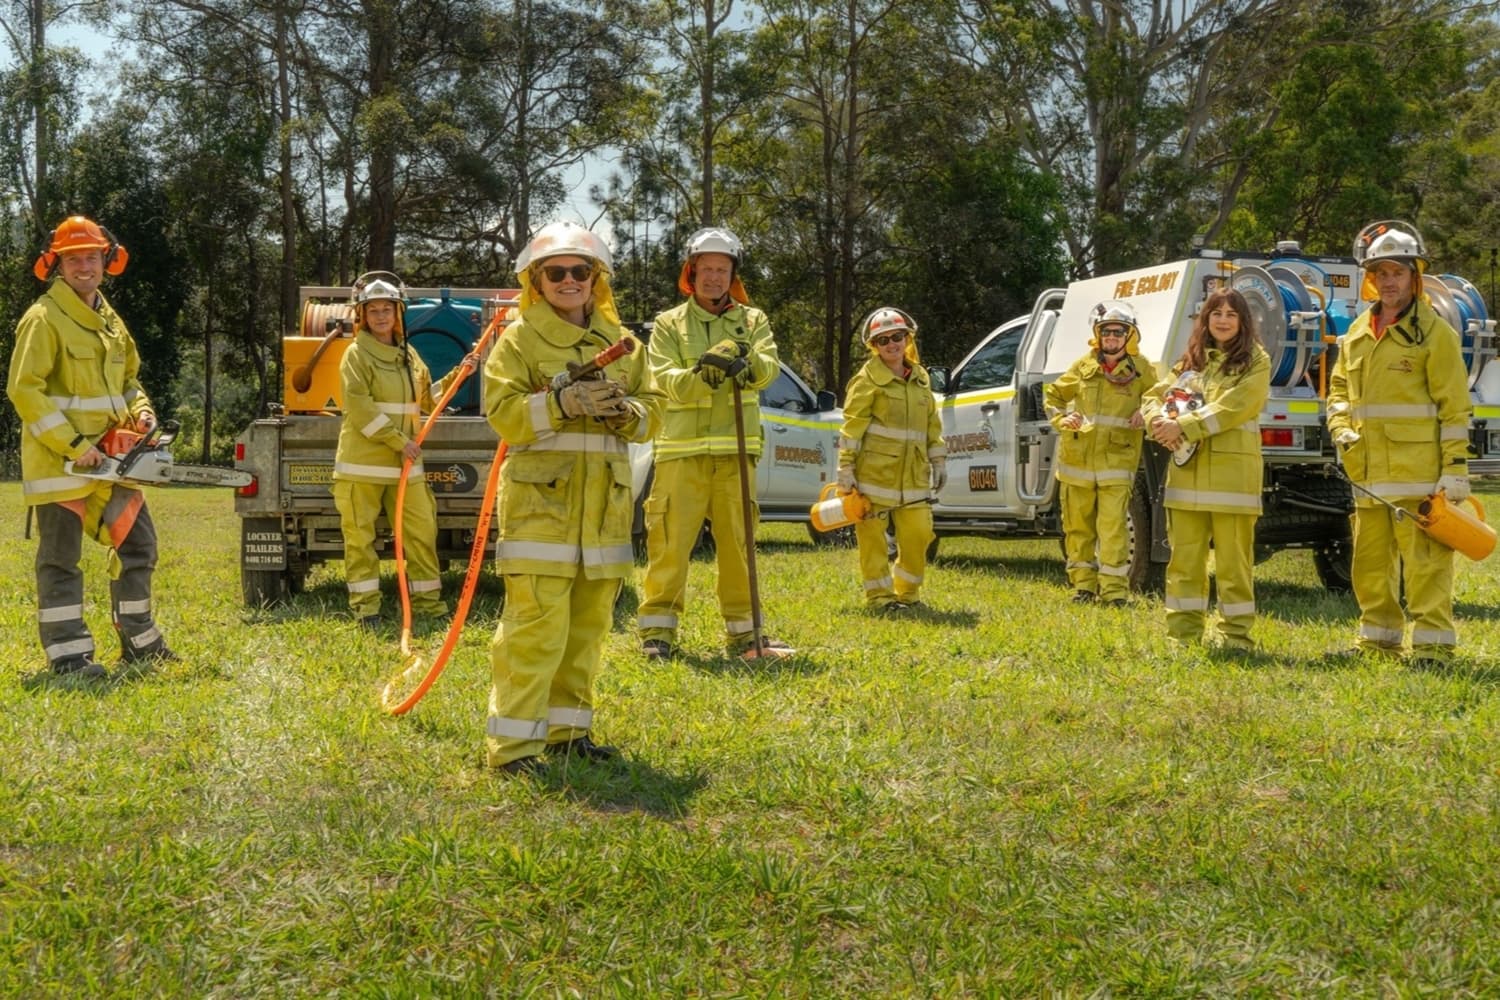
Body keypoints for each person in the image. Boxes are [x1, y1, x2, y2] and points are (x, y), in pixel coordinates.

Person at [482, 221, 662, 775]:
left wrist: (624, 413)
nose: (568, 280)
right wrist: (563, 405)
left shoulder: (623, 344)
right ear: (536, 281)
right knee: (533, 634)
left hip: (604, 516)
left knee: (587, 632)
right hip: (543, 513)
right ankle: (513, 749)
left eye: (579, 271)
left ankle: (566, 735)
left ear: (596, 279)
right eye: (555, 272)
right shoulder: (519, 339)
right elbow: (504, 415)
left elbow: (653, 411)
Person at [6, 215, 175, 680]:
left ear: (108, 260)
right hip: (63, 462)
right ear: (55, 265)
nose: (84, 266)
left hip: (114, 461)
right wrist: (73, 444)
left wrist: (142, 413)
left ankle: (142, 643)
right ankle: (69, 655)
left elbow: (128, 381)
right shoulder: (43, 318)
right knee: (61, 559)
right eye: (73, 258)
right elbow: (25, 390)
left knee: (139, 545)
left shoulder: (108, 319)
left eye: (92, 256)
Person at [636, 226, 795, 661]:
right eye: (706, 269)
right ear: (692, 272)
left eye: (721, 270)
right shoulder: (670, 323)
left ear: (732, 274)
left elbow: (769, 369)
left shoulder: (752, 319)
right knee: (669, 546)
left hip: (735, 454)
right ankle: (658, 635)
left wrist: (744, 363)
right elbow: (662, 379)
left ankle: (746, 635)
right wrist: (699, 376)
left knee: (738, 546)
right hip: (680, 453)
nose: (713, 278)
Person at [1326, 221, 1471, 668]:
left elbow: (1454, 408)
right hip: (1367, 473)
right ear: (1371, 278)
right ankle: (1378, 643)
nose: (1389, 281)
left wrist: (1455, 469)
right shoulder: (1355, 333)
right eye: (1381, 272)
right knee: (1369, 566)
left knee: (1426, 565)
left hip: (1419, 476)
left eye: (1398, 272)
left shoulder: (1436, 334)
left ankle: (1432, 648)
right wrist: (1339, 427)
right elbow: (1336, 392)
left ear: (1415, 277)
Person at [332, 272, 470, 627]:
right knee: (360, 539)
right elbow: (360, 408)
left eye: (387, 309)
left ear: (398, 313)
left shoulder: (409, 355)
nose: (380, 316)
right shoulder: (355, 355)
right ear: (362, 316)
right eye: (373, 310)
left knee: (422, 535)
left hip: (406, 466)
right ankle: (367, 609)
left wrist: (459, 375)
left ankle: (428, 606)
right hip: (363, 466)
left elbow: (427, 400)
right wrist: (399, 441)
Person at [1141, 288, 1270, 652]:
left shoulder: (1255, 361)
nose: (1224, 320)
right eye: (1217, 313)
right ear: (1206, 319)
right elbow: (1154, 396)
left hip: (1233, 482)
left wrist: (1184, 426)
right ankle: (1182, 638)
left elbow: (1237, 406)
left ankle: (1236, 639)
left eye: (1232, 314)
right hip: (1186, 480)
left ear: (1243, 321)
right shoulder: (1190, 362)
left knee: (1234, 568)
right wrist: (1157, 421)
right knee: (1183, 564)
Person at [1042, 300, 1151, 605]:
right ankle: (1084, 588)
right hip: (1076, 463)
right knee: (1078, 528)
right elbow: (1052, 395)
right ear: (1098, 335)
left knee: (1114, 527)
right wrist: (1062, 418)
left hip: (1117, 463)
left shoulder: (1142, 371)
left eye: (1118, 332)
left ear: (1129, 336)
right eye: (1106, 332)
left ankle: (1115, 592)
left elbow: (1160, 398)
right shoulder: (1082, 366)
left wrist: (1147, 411)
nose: (1112, 338)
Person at [836, 308, 945, 612]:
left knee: (920, 533)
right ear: (874, 346)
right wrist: (845, 468)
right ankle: (880, 599)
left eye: (897, 337)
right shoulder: (866, 380)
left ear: (908, 338)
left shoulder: (921, 377)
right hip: (874, 477)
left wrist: (939, 460)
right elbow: (852, 427)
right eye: (882, 340)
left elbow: (931, 426)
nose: (891, 344)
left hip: (913, 476)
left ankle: (908, 595)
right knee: (873, 541)